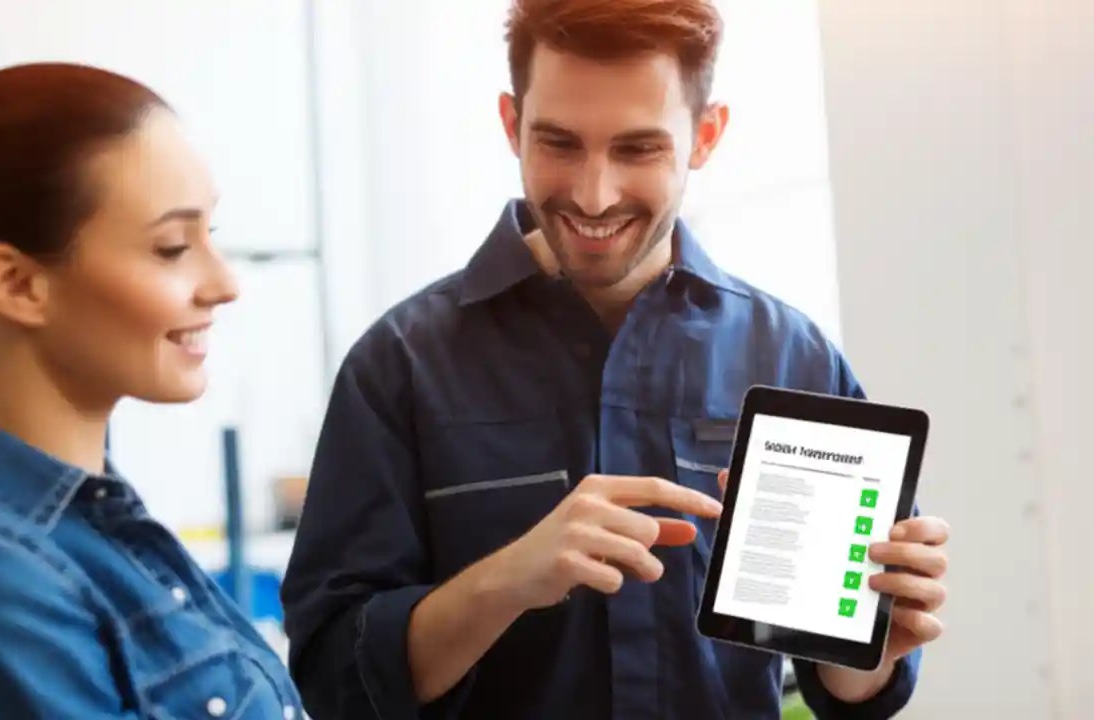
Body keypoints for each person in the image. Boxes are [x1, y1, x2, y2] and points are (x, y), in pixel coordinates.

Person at [280, 0, 951, 718]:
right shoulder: (400, 366)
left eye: (638, 150)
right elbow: (333, 678)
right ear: (511, 124)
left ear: (705, 136)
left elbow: (844, 691)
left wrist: (869, 653)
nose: (593, 195)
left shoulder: (793, 357)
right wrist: (508, 581)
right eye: (559, 143)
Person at [0, 64, 302, 719]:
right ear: (18, 284)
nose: (225, 284)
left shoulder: (94, 530)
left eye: (211, 236)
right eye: (172, 247)